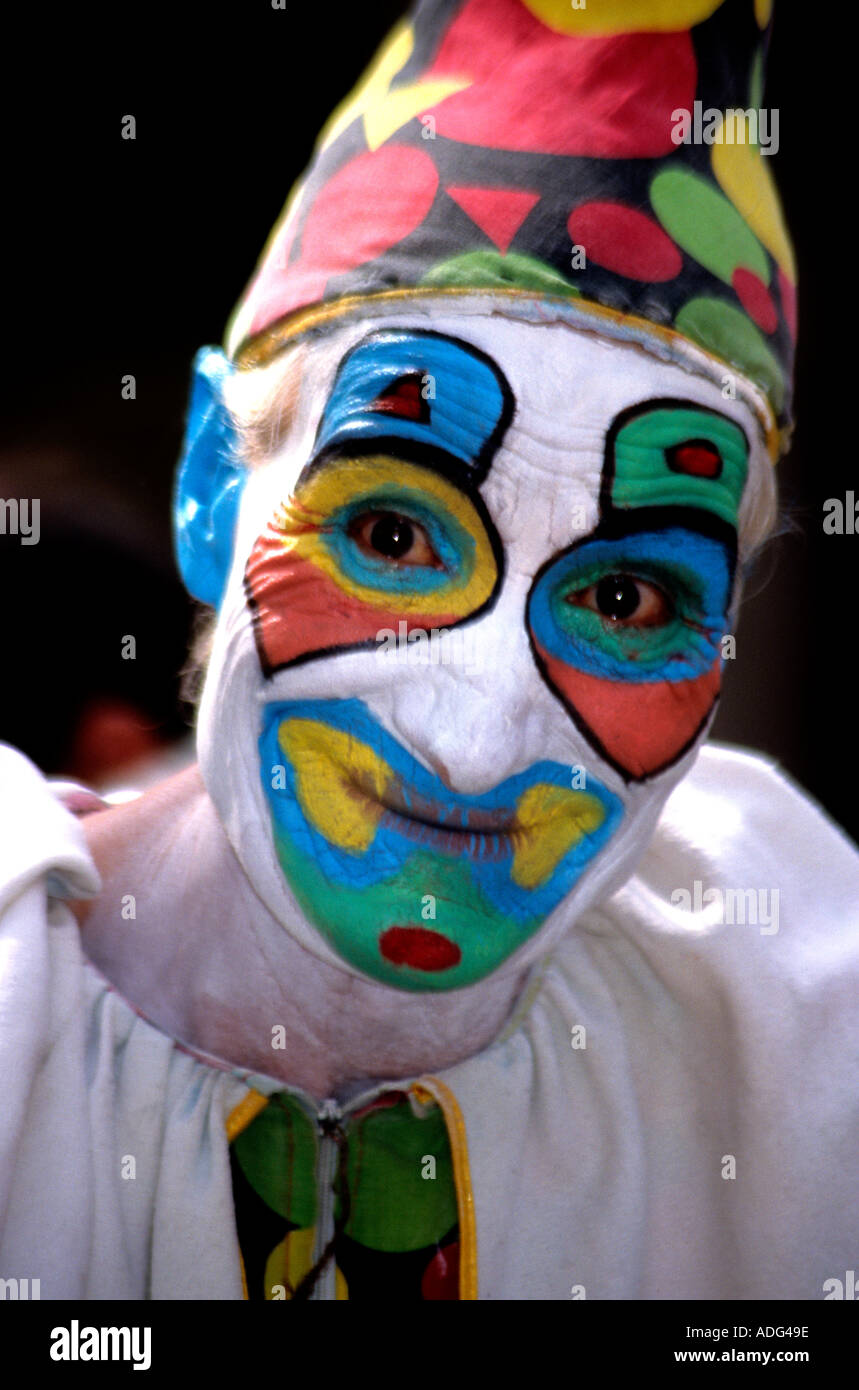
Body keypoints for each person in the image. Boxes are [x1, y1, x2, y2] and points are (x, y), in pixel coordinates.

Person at [2, 0, 857, 1301]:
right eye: (394, 531)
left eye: (627, 599)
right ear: (211, 489)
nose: (476, 738)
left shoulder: (796, 1039)